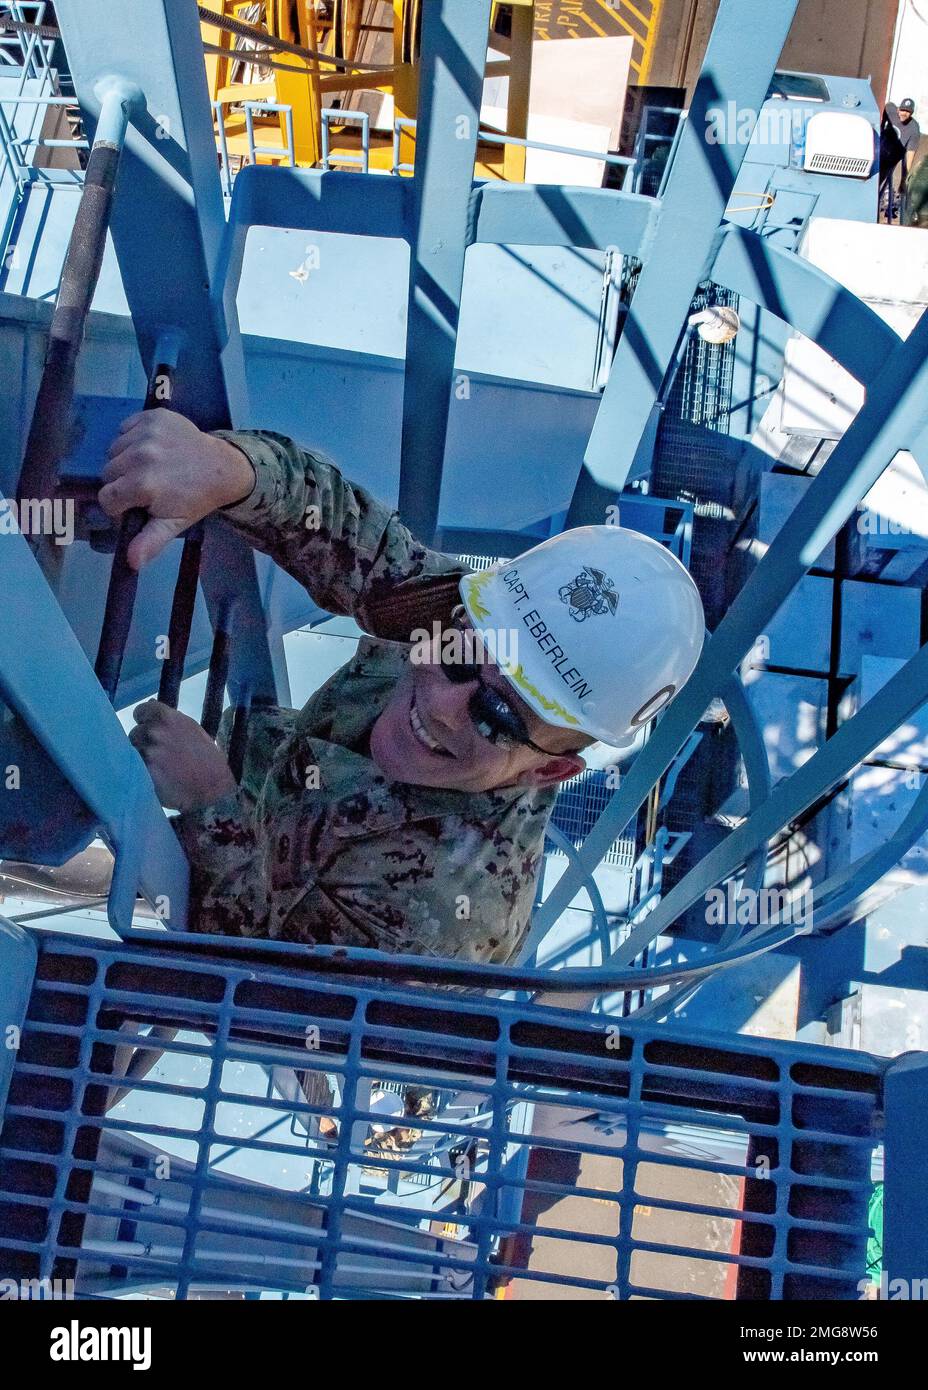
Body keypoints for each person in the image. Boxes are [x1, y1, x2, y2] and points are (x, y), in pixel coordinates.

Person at [100, 408, 705, 963]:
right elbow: (352, 538)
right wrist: (229, 470)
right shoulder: (479, 617)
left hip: (239, 849)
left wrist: (212, 805)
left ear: (548, 771)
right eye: (457, 656)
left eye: (495, 715)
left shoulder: (446, 915)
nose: (443, 705)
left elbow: (271, 995)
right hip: (257, 780)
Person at [880, 97, 921, 221]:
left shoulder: (914, 129)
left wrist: (904, 178)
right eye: (902, 110)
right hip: (879, 150)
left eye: (908, 112)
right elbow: (887, 106)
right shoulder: (891, 110)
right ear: (898, 109)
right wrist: (882, 125)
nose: (904, 113)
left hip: (890, 161)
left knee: (878, 181)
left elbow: (910, 154)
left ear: (911, 114)